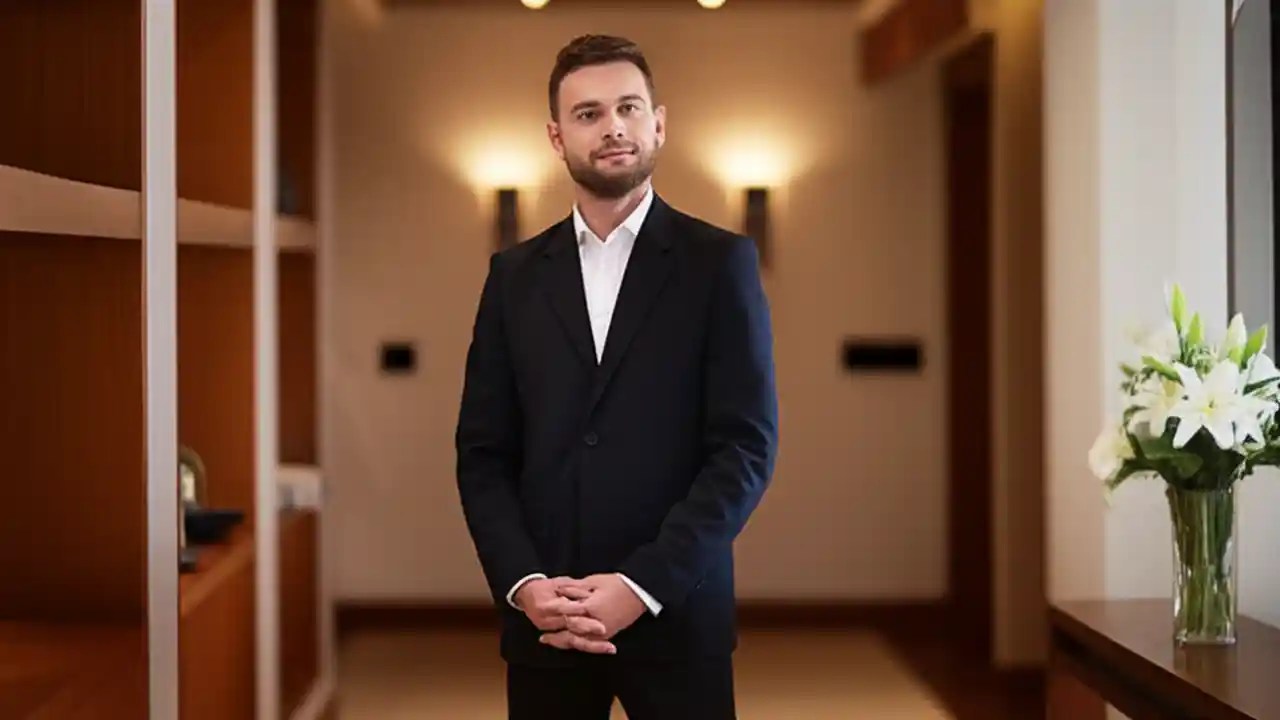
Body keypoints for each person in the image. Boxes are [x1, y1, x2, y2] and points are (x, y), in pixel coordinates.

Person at [455, 33, 778, 720]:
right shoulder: (512, 279)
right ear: (555, 135)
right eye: (589, 113)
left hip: (678, 614)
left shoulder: (720, 265)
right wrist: (524, 584)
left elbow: (744, 451)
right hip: (548, 622)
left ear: (659, 122)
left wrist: (640, 586)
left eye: (629, 108)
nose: (613, 128)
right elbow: (483, 455)